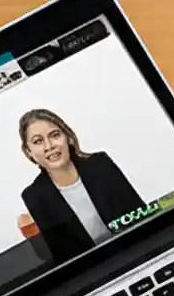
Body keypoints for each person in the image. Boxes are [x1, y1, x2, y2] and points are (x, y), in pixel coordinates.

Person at [19, 108, 144, 263]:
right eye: (38, 141)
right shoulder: (34, 196)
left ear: (68, 137)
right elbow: (58, 258)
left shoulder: (101, 164)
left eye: (55, 135)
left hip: (135, 252)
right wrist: (33, 236)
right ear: (28, 151)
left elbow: (141, 216)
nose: (49, 146)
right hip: (92, 269)